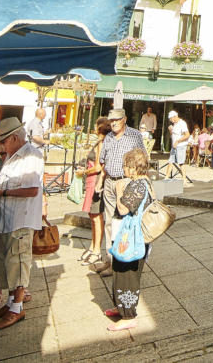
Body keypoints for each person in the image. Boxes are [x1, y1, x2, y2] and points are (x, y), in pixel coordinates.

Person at [0, 117, 44, 331]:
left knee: (19, 263)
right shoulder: (13, 156)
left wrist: (2, 192)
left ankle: (17, 308)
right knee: (6, 264)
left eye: (3, 141)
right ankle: (10, 303)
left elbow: (32, 189)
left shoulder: (31, 155)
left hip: (20, 220)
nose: (1, 146)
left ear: (14, 138)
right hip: (4, 220)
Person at [104, 147, 154, 331]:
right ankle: (121, 307)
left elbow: (124, 209)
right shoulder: (145, 182)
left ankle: (128, 315)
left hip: (132, 238)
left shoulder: (137, 185)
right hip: (136, 236)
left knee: (127, 275)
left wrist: (119, 191)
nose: (123, 169)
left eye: (125, 165)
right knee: (121, 272)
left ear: (133, 167)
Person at [92, 109, 145, 276]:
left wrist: (141, 180)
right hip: (110, 181)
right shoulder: (108, 137)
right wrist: (100, 180)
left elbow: (143, 158)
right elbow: (103, 162)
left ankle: (123, 257)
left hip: (126, 181)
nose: (113, 123)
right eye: (111, 120)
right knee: (109, 221)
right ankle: (109, 259)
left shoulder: (134, 135)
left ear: (125, 119)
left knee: (125, 220)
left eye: (116, 120)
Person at [77, 116, 110, 267]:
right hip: (92, 180)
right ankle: (92, 247)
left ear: (99, 128)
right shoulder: (99, 142)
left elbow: (98, 167)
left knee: (96, 216)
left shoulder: (102, 143)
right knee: (92, 214)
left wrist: (83, 172)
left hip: (96, 181)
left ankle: (97, 250)